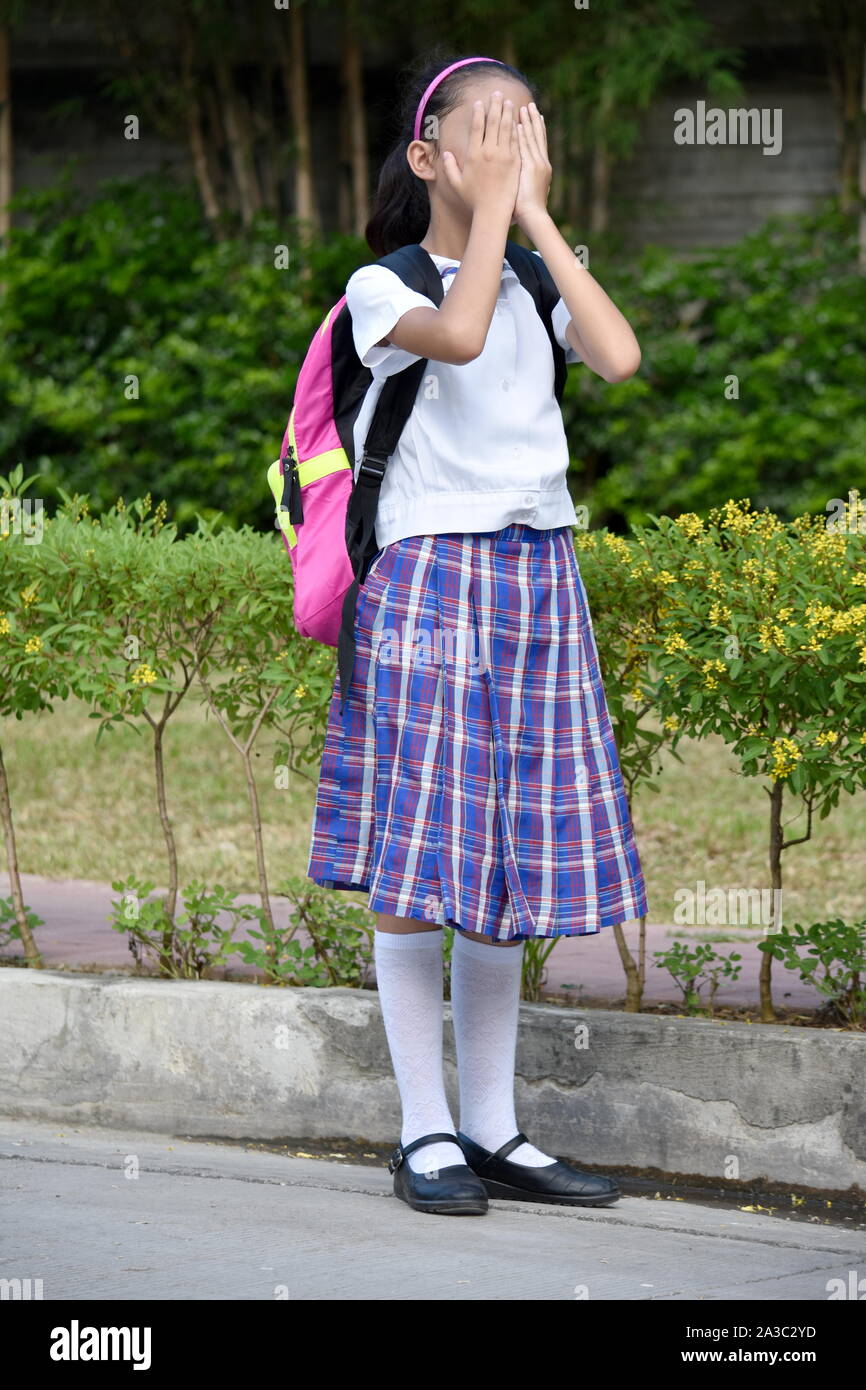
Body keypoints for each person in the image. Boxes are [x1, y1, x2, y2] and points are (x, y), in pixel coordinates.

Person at [306, 49, 650, 1216]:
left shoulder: (536, 280)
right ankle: (424, 1131)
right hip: (427, 579)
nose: (509, 148)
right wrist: (499, 215)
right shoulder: (382, 283)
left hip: (537, 571)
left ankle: (497, 1127)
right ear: (425, 156)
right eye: (487, 132)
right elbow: (451, 338)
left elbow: (618, 356)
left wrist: (538, 218)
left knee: (503, 857)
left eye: (527, 130)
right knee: (416, 852)